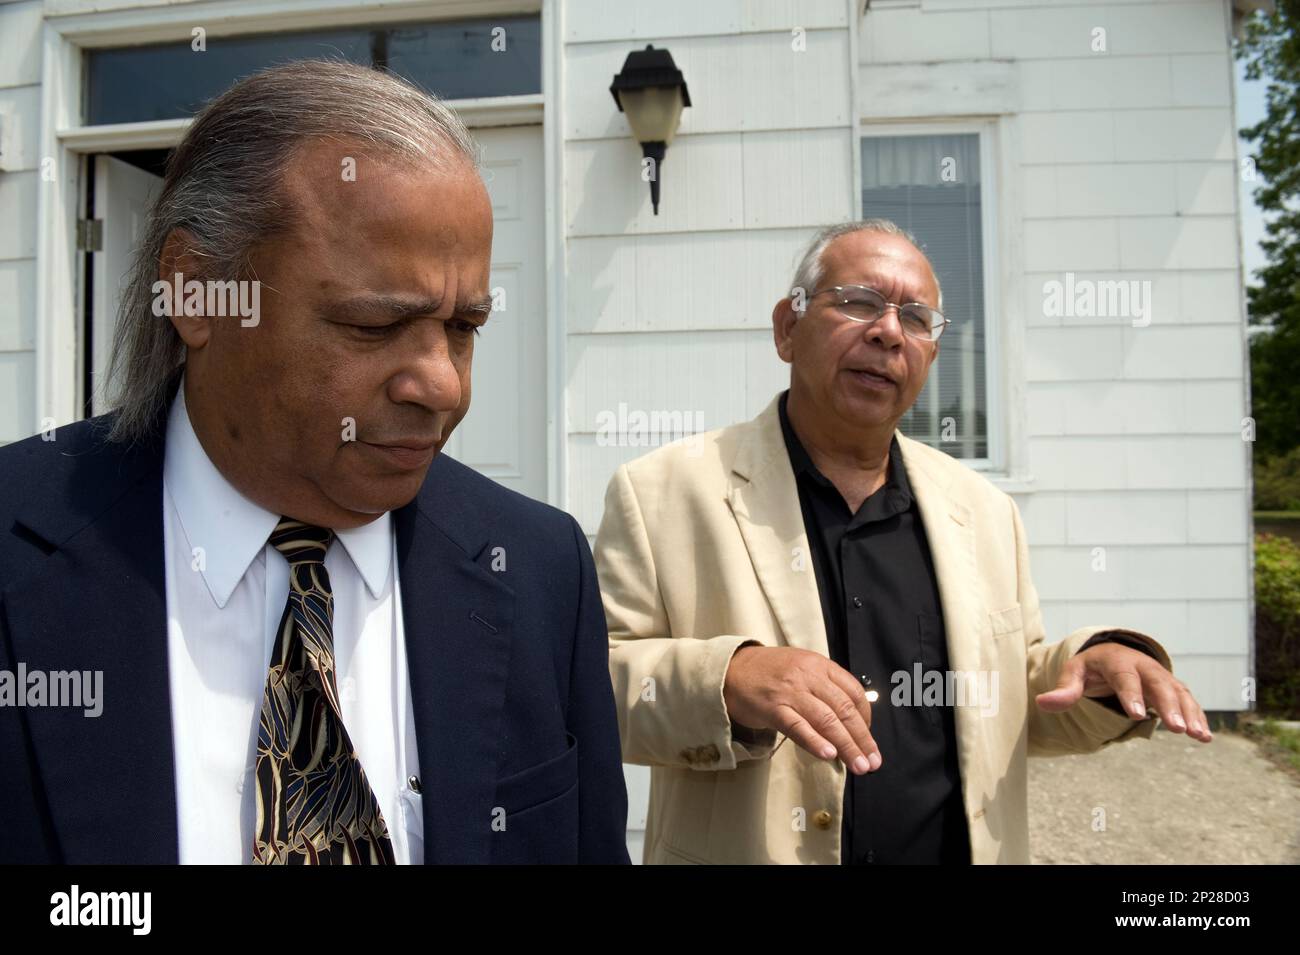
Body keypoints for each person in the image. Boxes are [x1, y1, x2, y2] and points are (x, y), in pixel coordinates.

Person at [0, 60, 628, 865]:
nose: (442, 384)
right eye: (374, 326)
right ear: (194, 292)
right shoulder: (19, 548)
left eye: (464, 327)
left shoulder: (540, 567)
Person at [596, 219, 1211, 865]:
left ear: (929, 357)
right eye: (859, 301)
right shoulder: (665, 490)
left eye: (916, 318)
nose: (888, 331)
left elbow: (1011, 695)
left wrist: (1098, 668)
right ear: (787, 328)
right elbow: (595, 684)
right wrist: (727, 679)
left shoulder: (985, 511)